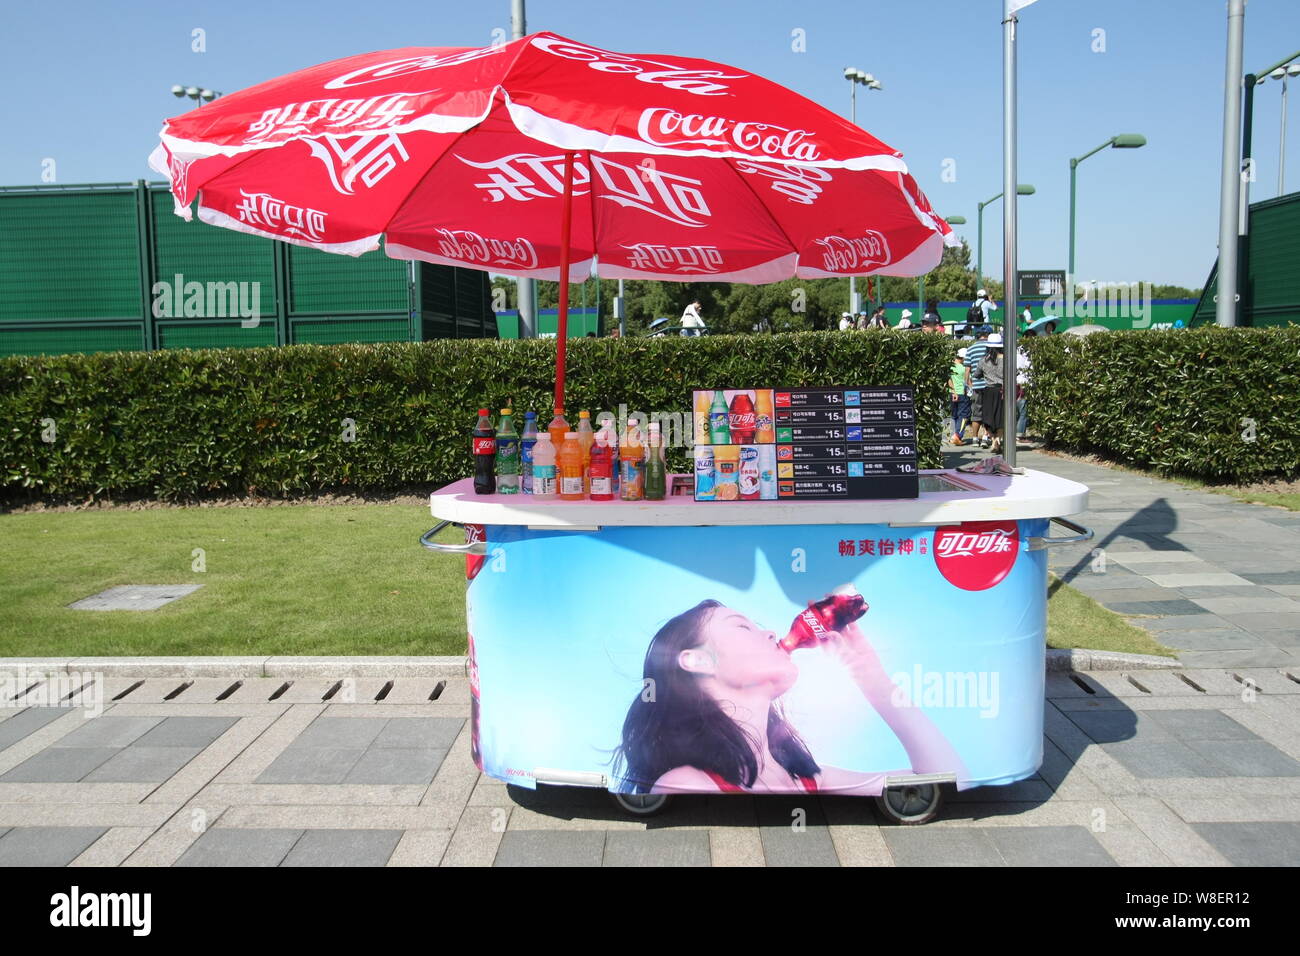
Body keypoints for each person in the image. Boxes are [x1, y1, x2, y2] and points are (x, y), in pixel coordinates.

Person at [612, 599, 965, 794]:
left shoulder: (808, 779)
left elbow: (946, 781)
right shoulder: (686, 783)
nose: (769, 633)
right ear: (697, 659)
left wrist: (872, 677)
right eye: (742, 626)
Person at [978, 334, 1007, 454]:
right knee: (1001, 417)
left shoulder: (984, 360)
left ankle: (994, 439)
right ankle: (998, 439)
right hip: (1002, 390)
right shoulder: (1006, 359)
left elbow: (976, 374)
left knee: (988, 417)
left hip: (989, 391)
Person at [964, 327, 991, 447]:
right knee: (989, 414)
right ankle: (985, 437)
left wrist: (968, 385)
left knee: (976, 414)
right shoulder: (992, 348)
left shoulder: (970, 349)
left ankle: (975, 438)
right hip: (990, 386)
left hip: (976, 386)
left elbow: (967, 370)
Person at [950, 347, 970, 445]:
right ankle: (957, 436)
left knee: (954, 415)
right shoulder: (964, 368)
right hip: (962, 393)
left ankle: (952, 435)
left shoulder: (950, 366)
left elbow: (948, 379)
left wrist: (953, 391)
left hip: (952, 393)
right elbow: (968, 381)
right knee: (963, 416)